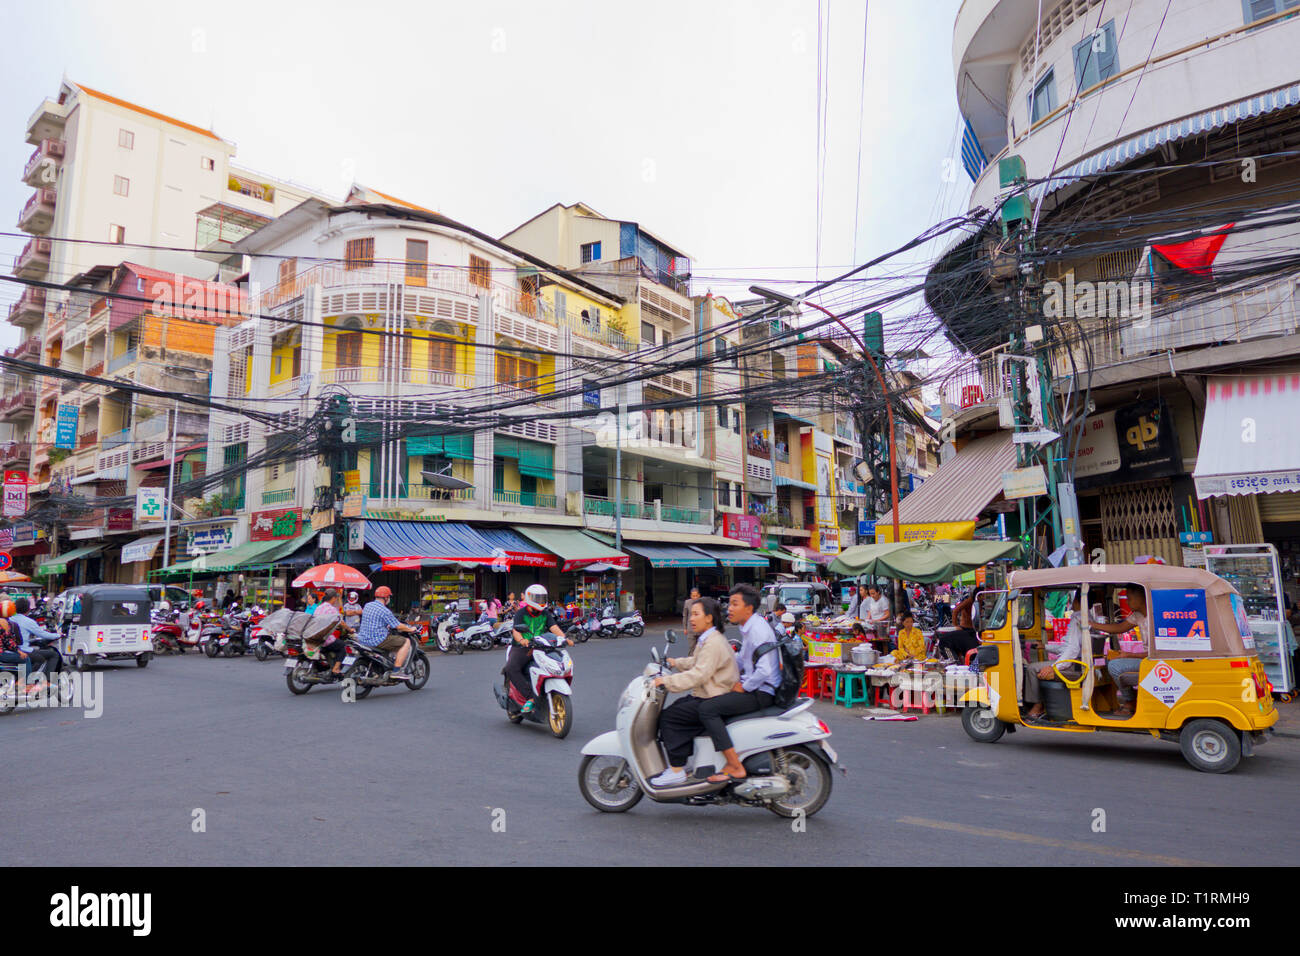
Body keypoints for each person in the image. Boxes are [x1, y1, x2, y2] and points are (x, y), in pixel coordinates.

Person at [693, 584, 784, 783]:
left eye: (735, 604)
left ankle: (735, 765)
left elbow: (765, 670)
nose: (729, 608)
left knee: (708, 709)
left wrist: (745, 686)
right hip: (757, 686)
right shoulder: (750, 627)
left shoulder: (757, 630)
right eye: (729, 603)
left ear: (748, 608)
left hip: (761, 692)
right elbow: (742, 659)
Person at [650, 596, 739, 787]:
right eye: (690, 614)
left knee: (670, 717)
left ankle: (676, 770)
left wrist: (666, 682)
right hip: (707, 693)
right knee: (678, 709)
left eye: (696, 614)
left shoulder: (713, 642)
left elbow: (699, 674)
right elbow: (696, 662)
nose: (691, 619)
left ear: (709, 618)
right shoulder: (708, 639)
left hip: (712, 695)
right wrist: (675, 663)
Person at [507, 584, 572, 714]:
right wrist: (522, 640)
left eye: (542, 598)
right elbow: (516, 631)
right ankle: (530, 697)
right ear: (530, 598)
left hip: (543, 647)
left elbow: (554, 628)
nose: (541, 601)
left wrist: (565, 638)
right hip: (523, 647)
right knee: (511, 668)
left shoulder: (545, 614)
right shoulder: (521, 613)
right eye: (538, 598)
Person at [1024, 593, 1086, 720]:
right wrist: (1045, 647)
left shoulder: (1077, 617)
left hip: (1074, 665)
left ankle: (1038, 705)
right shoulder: (1084, 617)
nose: (1072, 602)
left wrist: (1054, 667)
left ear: (1079, 601)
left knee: (1031, 668)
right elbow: (1068, 646)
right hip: (1075, 661)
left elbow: (1072, 649)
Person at [1097, 587, 1149, 717]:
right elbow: (1119, 628)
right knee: (1111, 659)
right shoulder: (1138, 615)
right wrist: (1092, 624)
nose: (1128, 602)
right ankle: (1130, 697)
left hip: (1156, 662)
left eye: (1130, 599)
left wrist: (1128, 654)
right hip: (1146, 659)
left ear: (1142, 597)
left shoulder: (1156, 616)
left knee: (1115, 665)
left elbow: (1157, 653)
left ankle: (1130, 701)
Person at [356, 585, 418, 679]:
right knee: (406, 641)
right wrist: (411, 629)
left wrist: (386, 624)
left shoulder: (367, 605)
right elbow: (398, 626)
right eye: (389, 597)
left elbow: (374, 620)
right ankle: (397, 671)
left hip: (362, 639)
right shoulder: (385, 610)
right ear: (386, 598)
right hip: (376, 640)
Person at [9, 597, 62, 678]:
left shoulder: (9, 619)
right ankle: (48, 681)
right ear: (28, 609)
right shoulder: (28, 621)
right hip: (23, 650)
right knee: (53, 655)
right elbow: (43, 634)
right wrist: (58, 635)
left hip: (10, 650)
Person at [0, 602, 42, 695]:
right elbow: (9, 641)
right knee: (25, 658)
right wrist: (19, 651)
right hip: (2, 654)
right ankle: (27, 684)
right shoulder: (6, 623)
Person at [309, 588, 353, 676]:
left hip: (315, 637)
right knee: (342, 647)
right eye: (336, 598)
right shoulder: (332, 609)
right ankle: (336, 668)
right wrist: (350, 630)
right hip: (324, 638)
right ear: (333, 598)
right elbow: (341, 622)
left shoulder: (318, 607)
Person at [937, 590, 979, 662]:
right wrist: (955, 625)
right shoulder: (973, 648)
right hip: (945, 644)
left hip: (951, 641)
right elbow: (955, 610)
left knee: (957, 661)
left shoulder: (972, 642)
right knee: (953, 662)